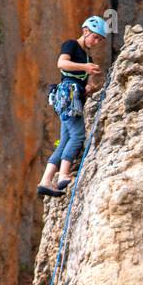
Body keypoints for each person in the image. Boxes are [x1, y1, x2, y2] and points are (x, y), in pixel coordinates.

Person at [37, 15, 109, 197]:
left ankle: (45, 181)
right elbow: (61, 63)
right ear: (85, 31)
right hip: (68, 95)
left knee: (64, 141)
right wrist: (85, 68)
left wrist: (89, 87)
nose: (97, 41)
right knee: (78, 135)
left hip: (73, 96)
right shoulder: (71, 45)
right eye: (95, 36)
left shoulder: (87, 56)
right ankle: (63, 175)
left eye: (100, 39)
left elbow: (81, 81)